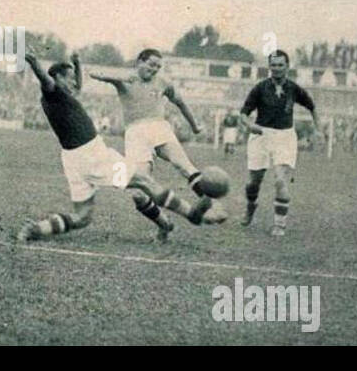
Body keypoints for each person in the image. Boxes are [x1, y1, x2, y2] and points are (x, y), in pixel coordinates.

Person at [16, 53, 212, 243]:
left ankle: (38, 228)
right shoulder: (52, 92)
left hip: (74, 161)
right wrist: (34, 62)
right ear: (57, 78)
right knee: (143, 180)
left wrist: (77, 66)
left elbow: (77, 87)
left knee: (83, 217)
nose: (74, 84)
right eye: (70, 79)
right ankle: (190, 213)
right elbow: (45, 80)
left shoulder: (62, 95)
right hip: (94, 156)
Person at [90, 49, 220, 228]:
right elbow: (101, 75)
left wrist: (195, 125)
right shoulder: (127, 80)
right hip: (135, 134)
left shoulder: (163, 83)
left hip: (159, 127)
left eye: (158, 67)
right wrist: (111, 76)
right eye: (151, 65)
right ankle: (164, 223)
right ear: (139, 62)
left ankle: (214, 208)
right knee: (140, 191)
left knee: (183, 165)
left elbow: (181, 103)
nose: (154, 70)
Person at [238, 50, 321, 236]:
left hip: (285, 136)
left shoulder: (294, 88)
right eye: (273, 65)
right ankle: (250, 208)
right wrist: (250, 125)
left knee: (280, 179)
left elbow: (312, 107)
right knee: (253, 183)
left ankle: (279, 224)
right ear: (269, 67)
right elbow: (243, 113)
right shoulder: (260, 88)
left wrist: (319, 130)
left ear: (287, 66)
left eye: (280, 65)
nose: (277, 69)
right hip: (260, 135)